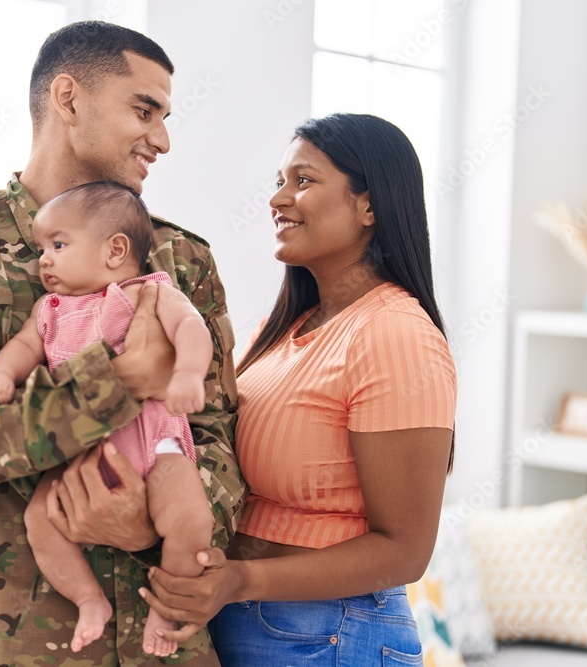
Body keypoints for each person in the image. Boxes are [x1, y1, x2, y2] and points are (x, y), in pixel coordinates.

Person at [0, 21, 244, 666]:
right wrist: (118, 380)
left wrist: (154, 524)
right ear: (68, 100)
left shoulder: (179, 258)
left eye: (164, 116)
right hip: (3, 646)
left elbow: (219, 437)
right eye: (144, 109)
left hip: (164, 647)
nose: (162, 138)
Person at [139, 113, 457, 666]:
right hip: (252, 622)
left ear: (370, 205)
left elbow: (404, 551)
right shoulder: (284, 325)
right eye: (278, 181)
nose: (278, 199)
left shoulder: (396, 335)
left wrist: (240, 579)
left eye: (303, 181)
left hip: (331, 634)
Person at [0, 181, 215, 657]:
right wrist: (1, 376)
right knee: (40, 520)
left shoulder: (146, 292)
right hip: (80, 454)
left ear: (115, 250)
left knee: (190, 520)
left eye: (57, 245)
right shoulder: (49, 310)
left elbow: (190, 326)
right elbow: (23, 348)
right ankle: (88, 600)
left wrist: (188, 373)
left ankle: (166, 609)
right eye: (42, 247)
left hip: (152, 442)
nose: (43, 259)